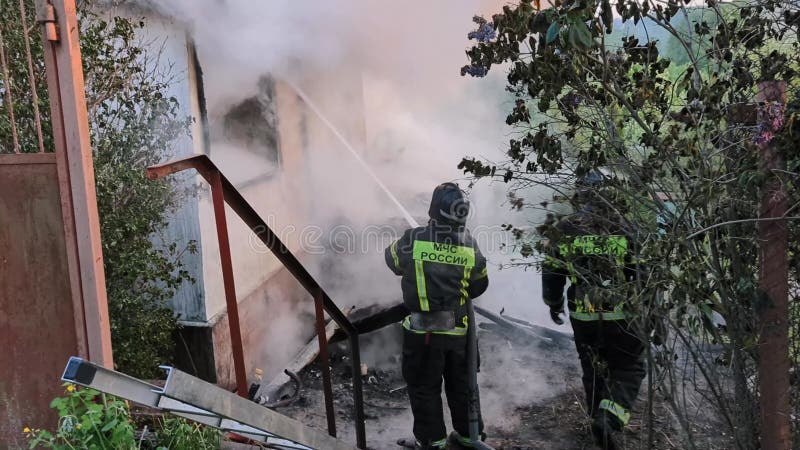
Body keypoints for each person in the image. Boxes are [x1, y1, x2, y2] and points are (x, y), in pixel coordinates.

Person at [540, 172, 646, 450]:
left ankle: (596, 421)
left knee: (593, 368)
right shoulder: (624, 227)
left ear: (579, 195)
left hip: (583, 313)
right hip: (621, 314)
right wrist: (649, 312)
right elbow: (642, 275)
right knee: (629, 368)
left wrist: (553, 303)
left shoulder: (565, 229)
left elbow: (552, 270)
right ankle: (607, 420)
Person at [386, 182, 489, 450]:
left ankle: (433, 443)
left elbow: (392, 260)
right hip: (460, 335)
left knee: (425, 389)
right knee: (463, 387)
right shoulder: (470, 244)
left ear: (433, 210)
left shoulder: (413, 239)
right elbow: (479, 285)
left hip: (424, 335)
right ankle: (469, 438)